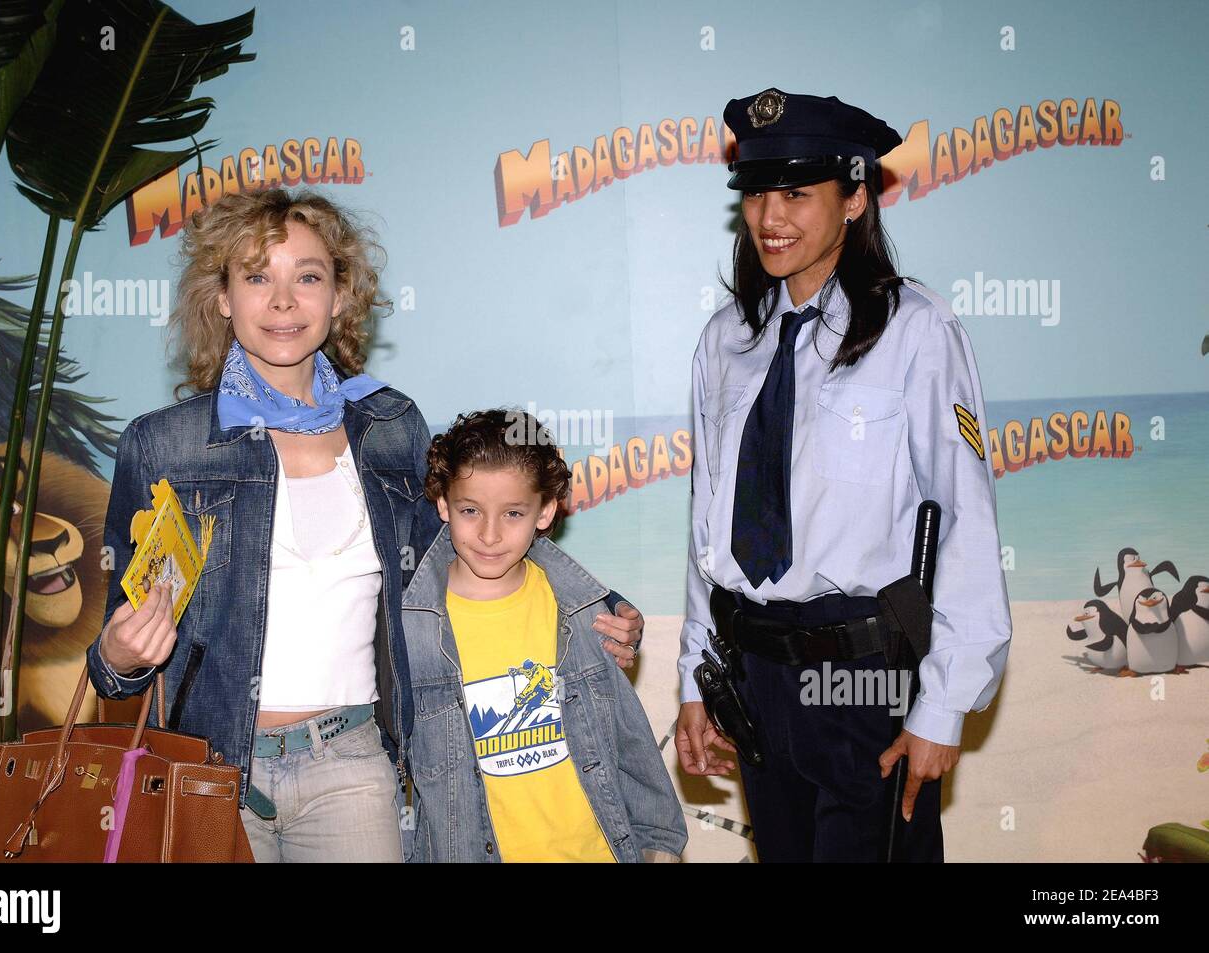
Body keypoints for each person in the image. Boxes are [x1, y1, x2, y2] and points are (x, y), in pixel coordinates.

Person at [86, 188, 645, 862]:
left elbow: (466, 543)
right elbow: (118, 652)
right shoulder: (163, 445)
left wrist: (595, 605)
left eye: (309, 276)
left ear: (341, 296)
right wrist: (118, 656)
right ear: (223, 296)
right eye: (258, 276)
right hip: (208, 772)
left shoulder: (389, 426)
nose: (284, 301)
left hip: (351, 766)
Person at [674, 88, 1012, 862]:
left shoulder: (915, 330)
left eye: (797, 192)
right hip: (755, 677)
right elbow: (708, 524)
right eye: (757, 191)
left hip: (863, 680)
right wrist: (697, 676)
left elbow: (964, 520)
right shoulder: (725, 342)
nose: (771, 216)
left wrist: (942, 705)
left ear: (856, 196)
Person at [401, 410, 687, 862]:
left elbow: (629, 742)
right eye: (470, 510)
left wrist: (658, 844)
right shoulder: (409, 630)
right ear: (442, 505)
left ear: (546, 510)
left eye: (513, 513)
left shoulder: (586, 614)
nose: (490, 535)